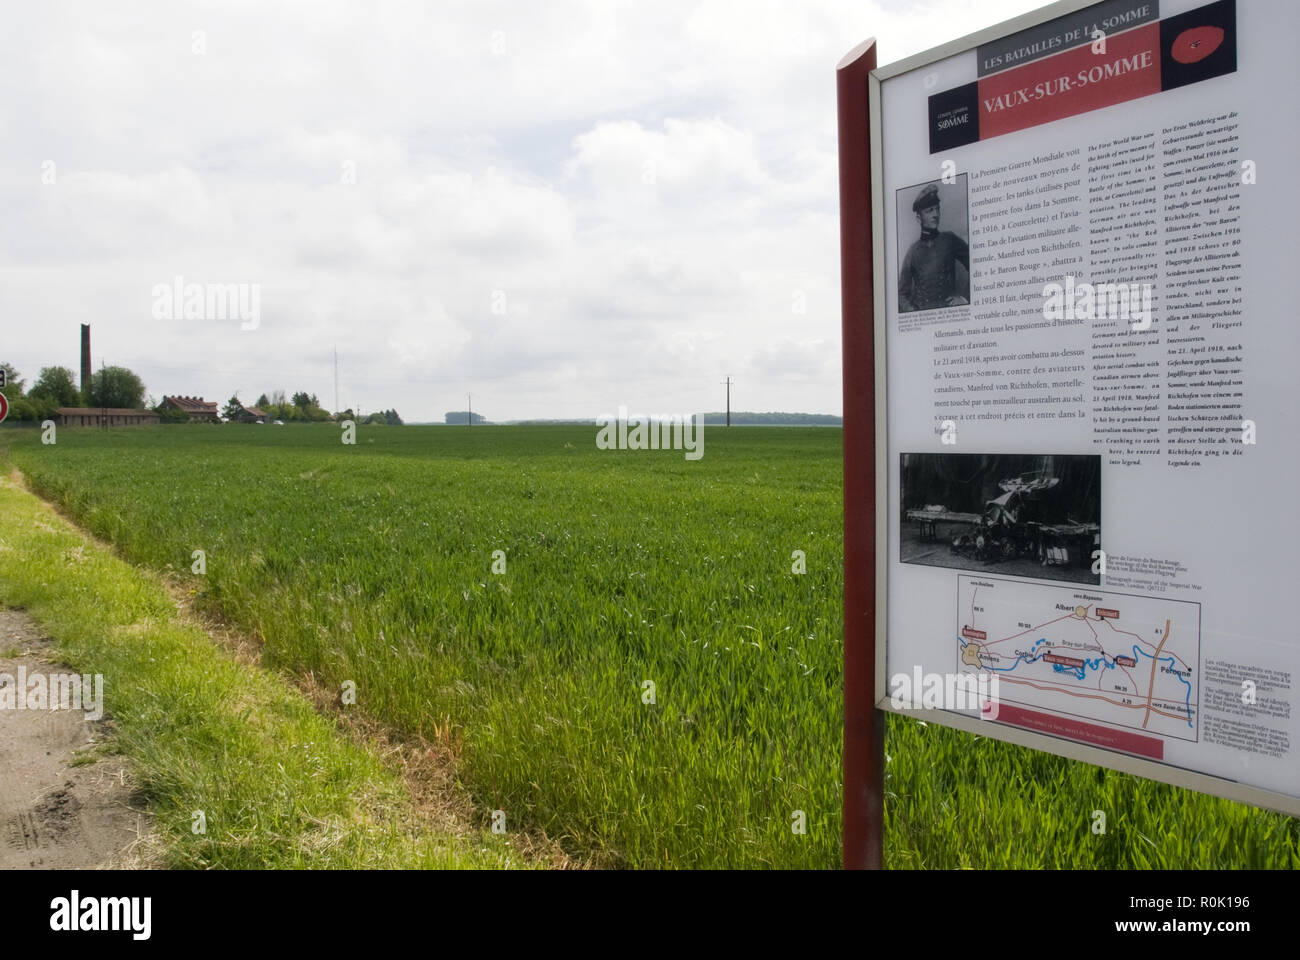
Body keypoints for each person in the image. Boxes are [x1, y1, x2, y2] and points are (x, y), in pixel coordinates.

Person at [898, 183, 969, 312]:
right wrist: (912, 312)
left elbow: (977, 264)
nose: (935, 214)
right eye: (929, 211)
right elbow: (901, 293)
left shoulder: (950, 240)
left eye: (937, 208)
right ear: (919, 218)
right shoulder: (913, 252)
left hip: (950, 315)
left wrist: (965, 298)